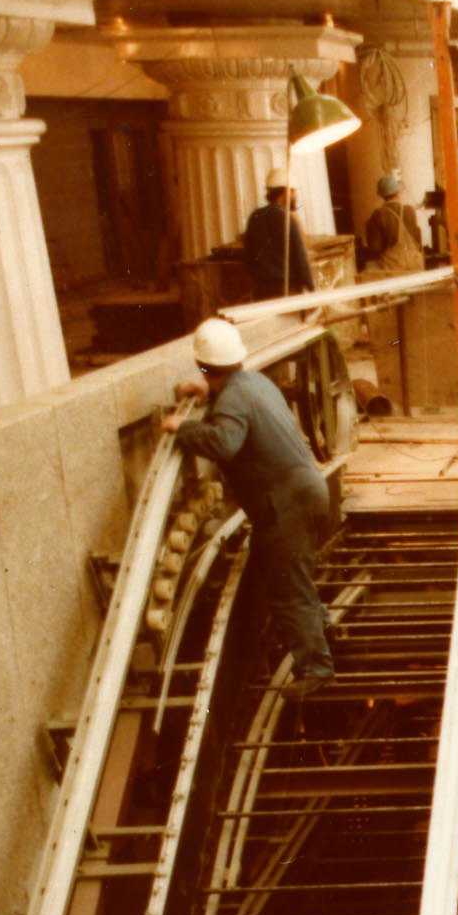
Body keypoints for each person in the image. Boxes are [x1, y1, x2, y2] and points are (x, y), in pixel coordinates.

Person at [161, 317, 336, 697]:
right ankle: (324, 627)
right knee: (292, 575)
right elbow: (236, 410)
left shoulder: (233, 397)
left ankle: (316, 669)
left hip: (285, 505)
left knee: (288, 589)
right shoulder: (256, 382)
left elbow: (225, 441)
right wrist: (206, 393)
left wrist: (182, 428)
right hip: (308, 492)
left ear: (204, 366)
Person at [240, 171, 314, 300]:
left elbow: (248, 256)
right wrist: (311, 286)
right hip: (287, 288)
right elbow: (300, 255)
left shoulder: (255, 216)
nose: (295, 195)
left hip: (262, 289)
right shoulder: (287, 218)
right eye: (293, 191)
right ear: (285, 192)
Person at [359, 171, 424, 274]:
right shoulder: (409, 210)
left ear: (381, 195)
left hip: (394, 269)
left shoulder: (378, 215)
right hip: (415, 266)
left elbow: (375, 248)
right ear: (398, 192)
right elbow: (418, 239)